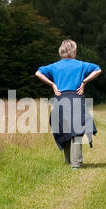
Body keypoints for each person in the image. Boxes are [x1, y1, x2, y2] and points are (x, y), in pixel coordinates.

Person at [35, 40, 101, 169]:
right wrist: (84, 82)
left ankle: (68, 161)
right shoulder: (81, 65)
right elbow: (97, 70)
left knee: (64, 130)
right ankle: (76, 164)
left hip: (60, 99)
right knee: (76, 130)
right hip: (76, 98)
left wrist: (52, 85)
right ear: (73, 51)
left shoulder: (54, 66)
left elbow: (38, 73)